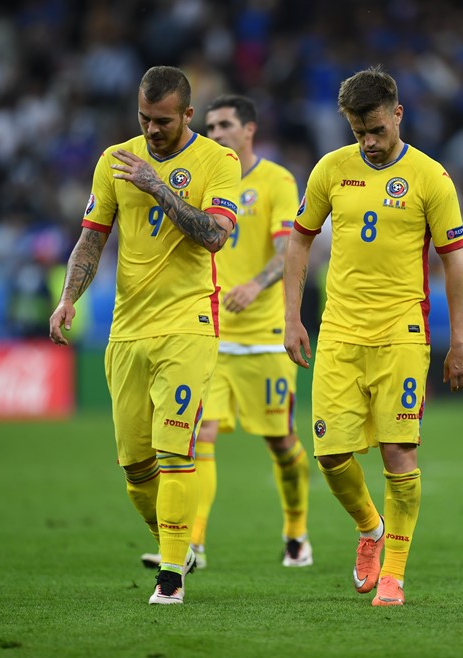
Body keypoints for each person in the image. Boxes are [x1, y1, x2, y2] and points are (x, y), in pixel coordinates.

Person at [283, 65, 463, 607]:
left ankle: (393, 574)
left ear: (398, 114)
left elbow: (455, 262)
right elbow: (299, 241)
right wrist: (292, 318)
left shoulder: (431, 177)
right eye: (357, 132)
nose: (368, 141)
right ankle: (371, 528)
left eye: (376, 129)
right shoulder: (330, 169)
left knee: (398, 451)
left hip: (402, 331)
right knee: (329, 455)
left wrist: (460, 340)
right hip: (339, 331)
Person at [48, 66, 240, 605]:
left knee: (175, 449)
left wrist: (158, 186)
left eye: (163, 121)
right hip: (128, 329)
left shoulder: (218, 161)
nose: (152, 130)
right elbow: (91, 239)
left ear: (187, 115)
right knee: (136, 467)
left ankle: (171, 577)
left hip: (188, 323)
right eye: (144, 119)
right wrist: (68, 297)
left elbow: (214, 236)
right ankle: (176, 545)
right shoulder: (115, 160)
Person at [138, 94, 312, 572]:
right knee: (201, 436)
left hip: (264, 336)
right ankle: (192, 547)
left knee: (281, 441)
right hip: (209, 332)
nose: (215, 134)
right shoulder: (205, 175)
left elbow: (289, 250)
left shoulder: (276, 181)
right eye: (210, 127)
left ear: (249, 129)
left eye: (224, 125)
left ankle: (296, 532)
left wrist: (255, 285)